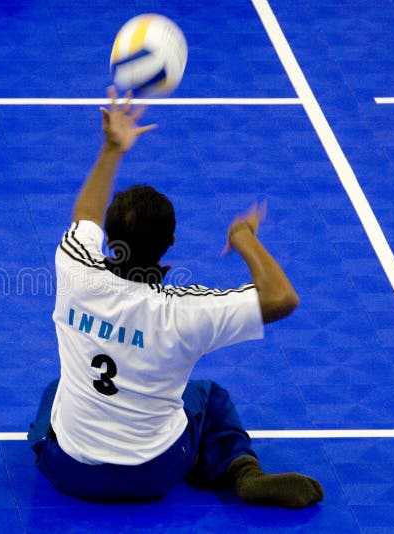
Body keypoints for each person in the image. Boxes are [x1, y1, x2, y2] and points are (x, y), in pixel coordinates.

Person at [27, 87, 324, 508]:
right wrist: (243, 236)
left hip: (69, 470)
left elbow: (84, 216)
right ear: (171, 243)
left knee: (56, 391)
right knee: (209, 396)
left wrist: (112, 148)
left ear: (108, 239)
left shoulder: (75, 268)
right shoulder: (186, 311)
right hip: (155, 473)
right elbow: (282, 298)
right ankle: (243, 470)